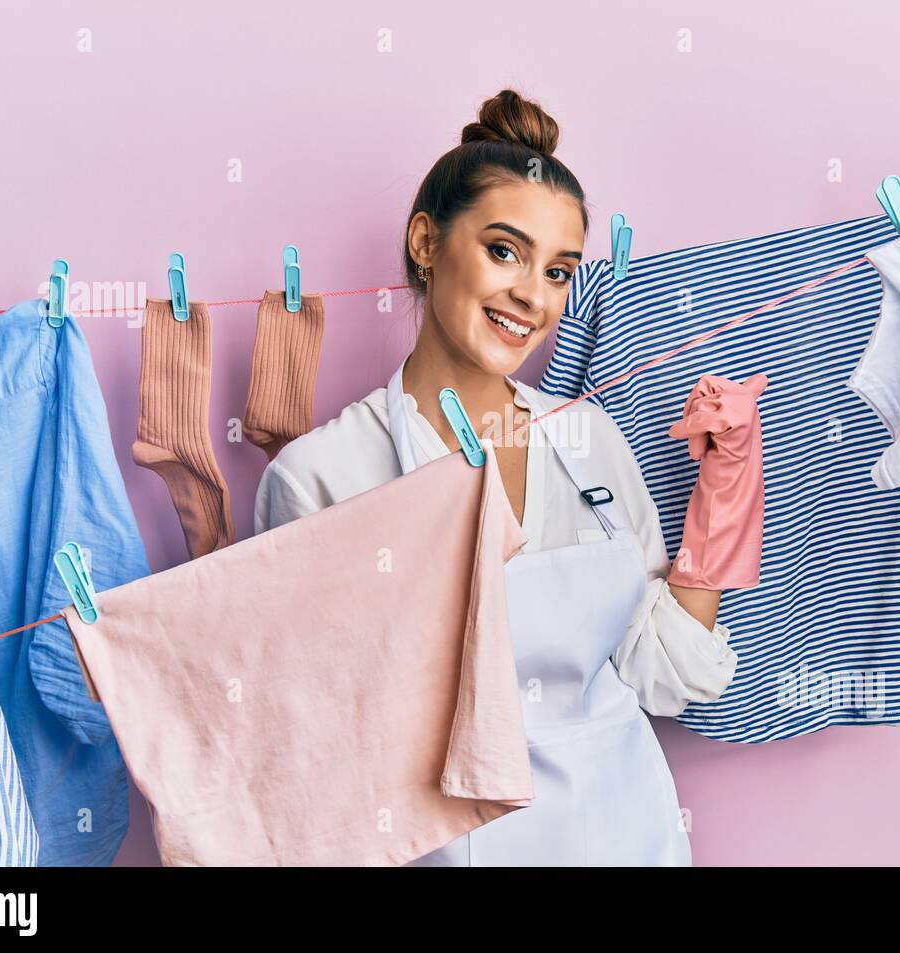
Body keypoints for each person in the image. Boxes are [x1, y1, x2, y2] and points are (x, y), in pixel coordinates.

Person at [255, 89, 746, 866]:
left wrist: (723, 499)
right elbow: (317, 751)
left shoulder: (590, 438)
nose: (532, 296)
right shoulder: (323, 476)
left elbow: (662, 676)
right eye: (504, 251)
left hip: (629, 836)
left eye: (558, 271)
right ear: (425, 240)